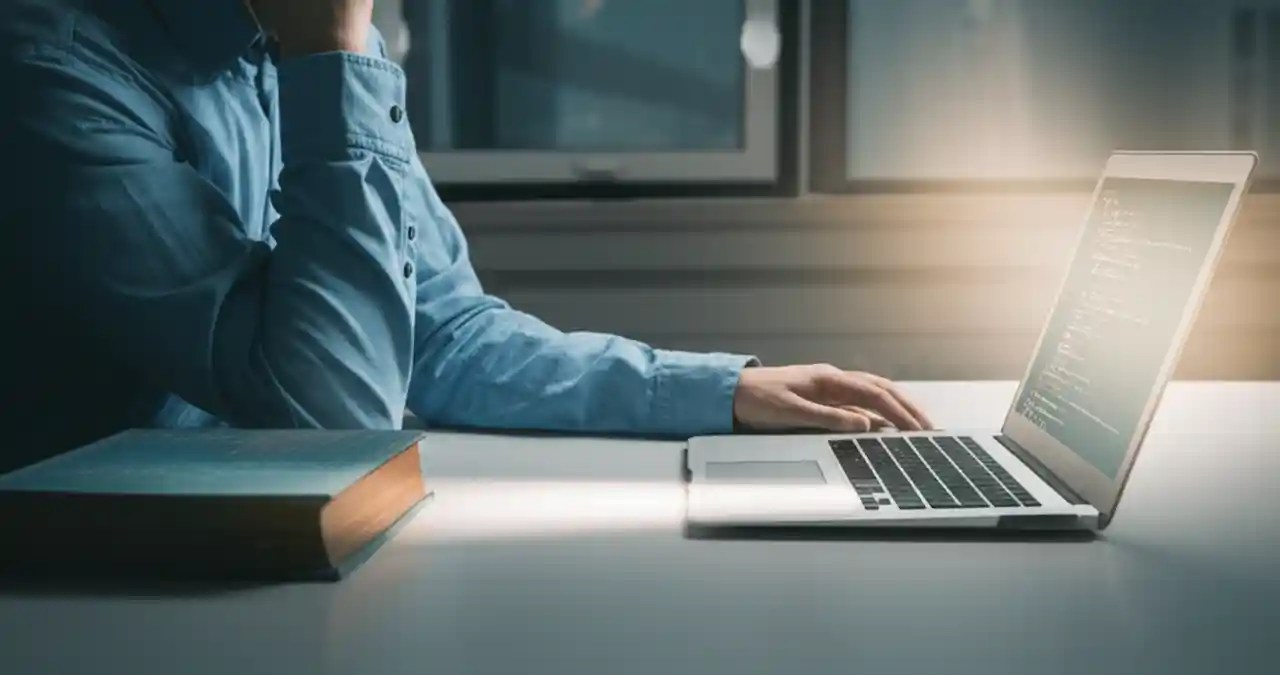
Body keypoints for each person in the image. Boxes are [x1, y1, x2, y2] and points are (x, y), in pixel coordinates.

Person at [0, 0, 931, 473]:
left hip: (243, 556)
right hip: (88, 611)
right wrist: (332, 50)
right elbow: (326, 427)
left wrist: (718, 389)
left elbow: (440, 334)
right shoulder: (54, 76)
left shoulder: (286, 41)